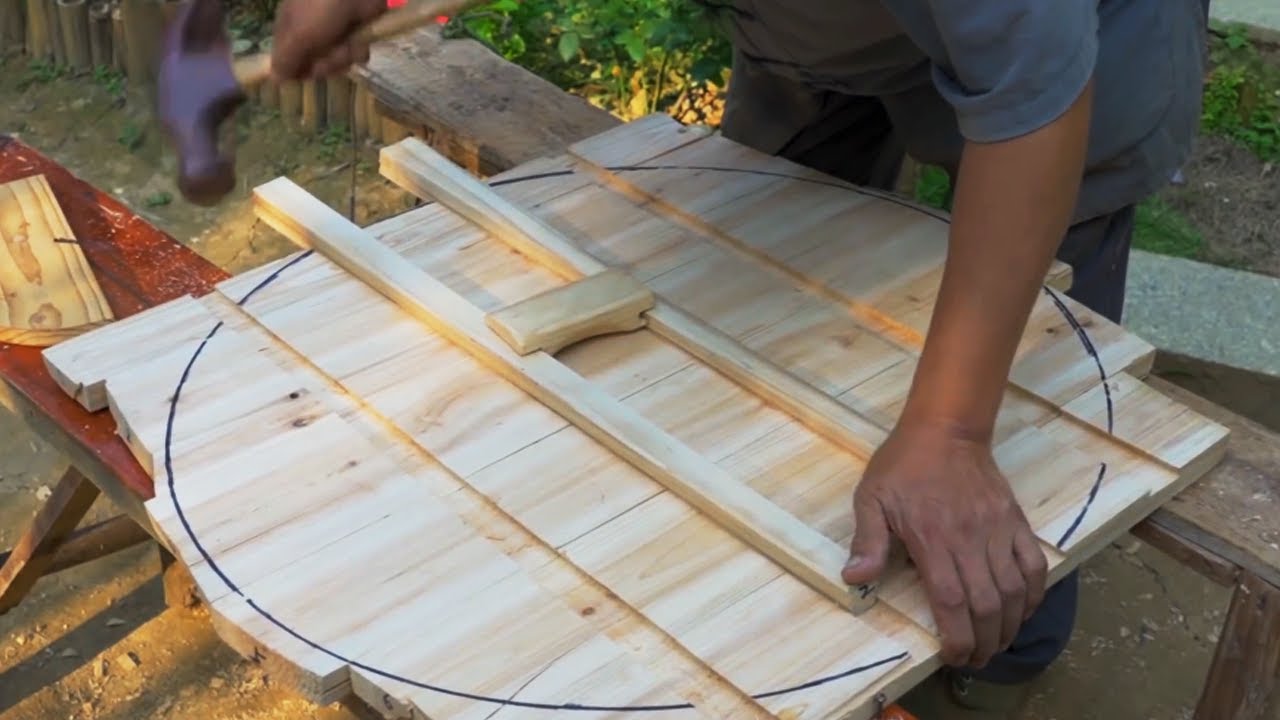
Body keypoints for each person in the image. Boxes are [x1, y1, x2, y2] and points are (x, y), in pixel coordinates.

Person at [265, 1, 1207, 716]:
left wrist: (951, 431)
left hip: (1075, 61)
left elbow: (1033, 105)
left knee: (1042, 378)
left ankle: (997, 659)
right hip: (818, 37)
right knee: (760, 269)